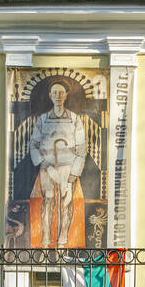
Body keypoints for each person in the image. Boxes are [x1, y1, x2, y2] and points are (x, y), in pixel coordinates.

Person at [29, 81, 86, 247]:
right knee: (48, 201)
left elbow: (81, 148)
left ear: (66, 95)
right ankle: (46, 240)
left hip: (68, 169)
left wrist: (74, 173)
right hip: (47, 167)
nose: (58, 96)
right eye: (55, 93)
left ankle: (63, 242)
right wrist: (44, 161)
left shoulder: (74, 119)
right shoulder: (43, 120)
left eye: (61, 93)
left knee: (66, 203)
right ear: (50, 96)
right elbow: (34, 144)